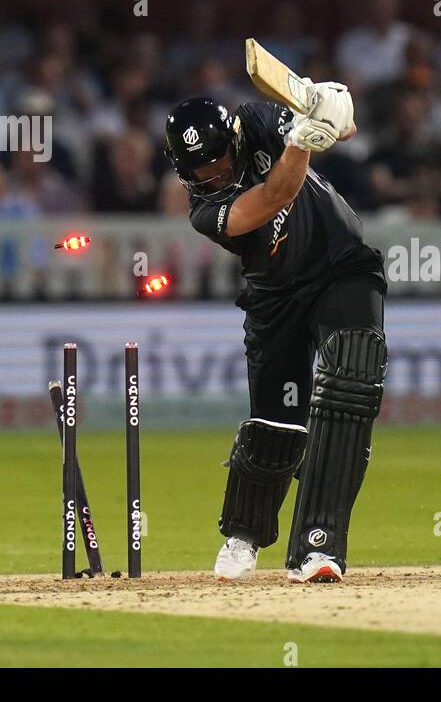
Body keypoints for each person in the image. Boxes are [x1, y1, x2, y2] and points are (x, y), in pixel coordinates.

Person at [164, 84, 387, 584]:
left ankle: (318, 545)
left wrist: (331, 110)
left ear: (231, 139)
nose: (217, 173)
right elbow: (275, 194)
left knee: (350, 383)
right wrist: (303, 140)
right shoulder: (206, 212)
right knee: (275, 427)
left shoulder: (257, 121)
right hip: (275, 295)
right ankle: (243, 535)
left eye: (220, 159)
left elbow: (342, 129)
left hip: (341, 267)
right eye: (203, 171)